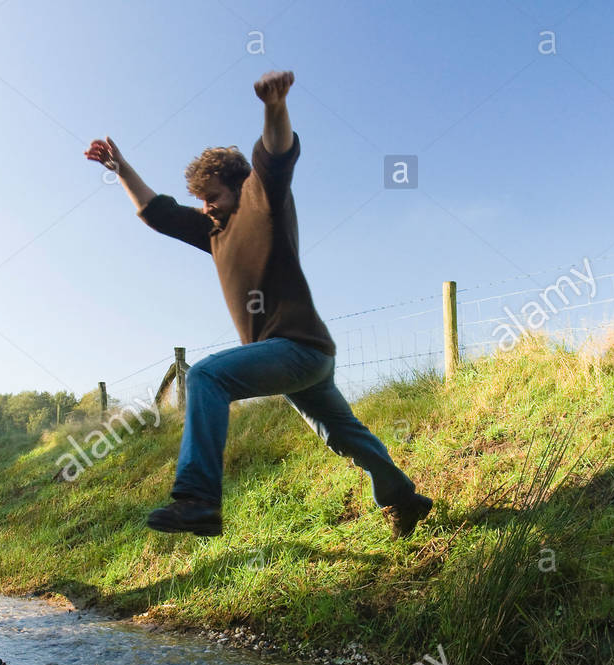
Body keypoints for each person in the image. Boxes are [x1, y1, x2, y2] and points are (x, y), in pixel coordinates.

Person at [85, 69, 432, 539]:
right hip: (297, 357)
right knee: (342, 435)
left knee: (207, 375)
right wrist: (122, 168)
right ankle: (405, 499)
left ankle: (199, 500)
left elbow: (275, 152)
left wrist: (274, 106)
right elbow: (158, 213)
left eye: (211, 197)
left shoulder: (260, 199)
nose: (205, 206)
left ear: (236, 186)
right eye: (200, 200)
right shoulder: (213, 232)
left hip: (298, 347)